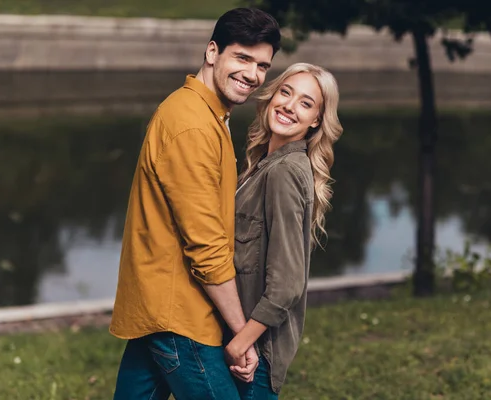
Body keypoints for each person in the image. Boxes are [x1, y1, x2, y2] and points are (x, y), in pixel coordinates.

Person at [109, 8, 281, 400]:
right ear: (212, 52)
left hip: (162, 308)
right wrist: (241, 332)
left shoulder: (206, 115)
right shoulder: (192, 125)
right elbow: (206, 247)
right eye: (242, 58)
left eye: (262, 66)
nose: (253, 75)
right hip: (181, 317)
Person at [224, 63, 343, 398]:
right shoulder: (265, 164)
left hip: (254, 354)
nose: (289, 106)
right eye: (286, 93)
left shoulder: (285, 171)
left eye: (306, 103)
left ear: (316, 120)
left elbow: (288, 284)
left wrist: (240, 344)